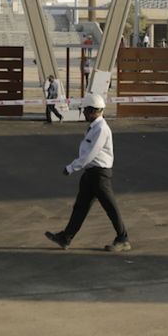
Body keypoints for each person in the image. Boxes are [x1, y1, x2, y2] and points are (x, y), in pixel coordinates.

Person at [45, 92, 131, 252]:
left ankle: (123, 238)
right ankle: (66, 237)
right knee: (81, 207)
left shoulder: (101, 129)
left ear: (92, 111)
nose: (83, 113)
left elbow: (90, 154)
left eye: (85, 110)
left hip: (99, 175)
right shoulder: (94, 127)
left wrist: (71, 167)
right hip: (91, 174)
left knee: (110, 207)